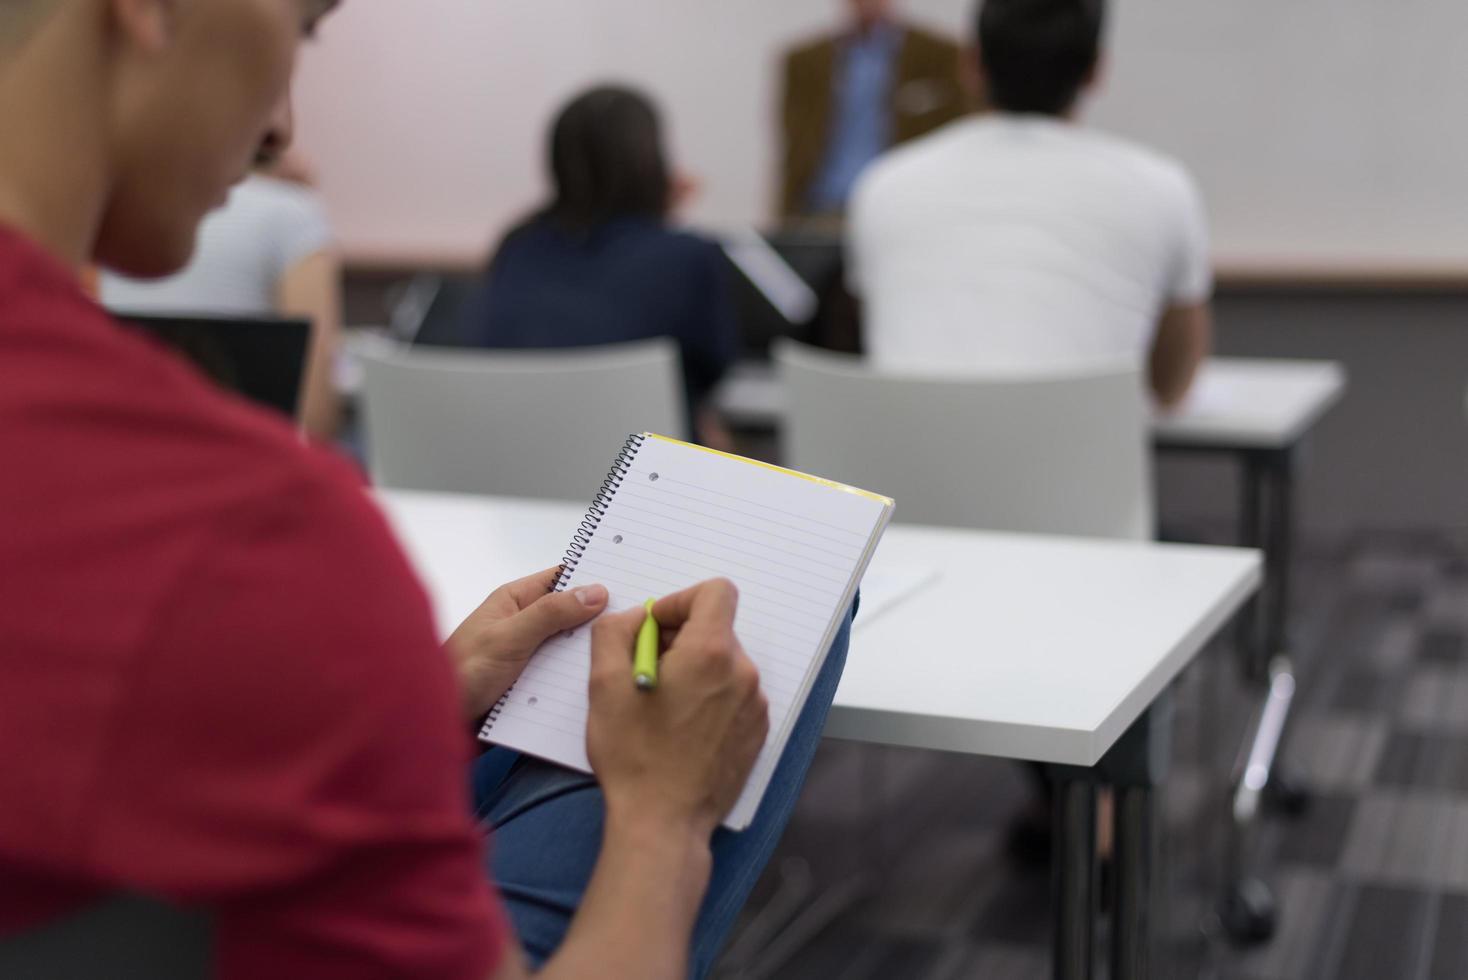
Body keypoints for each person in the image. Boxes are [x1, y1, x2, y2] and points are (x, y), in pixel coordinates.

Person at [0, 3, 850, 979]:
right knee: (773, 578)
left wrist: (410, 704)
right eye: (304, 27)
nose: (281, 127)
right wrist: (664, 817)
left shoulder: (516, 250)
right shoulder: (252, 529)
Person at [847, 0, 1213, 409]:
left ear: (971, 65)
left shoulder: (883, 187)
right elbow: (1171, 388)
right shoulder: (1163, 188)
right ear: (1096, 71)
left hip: (894, 470)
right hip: (1080, 469)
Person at [460, 85, 740, 451]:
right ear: (652, 160)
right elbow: (714, 368)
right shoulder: (686, 255)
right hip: (639, 485)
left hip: (516, 469)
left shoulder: (518, 245)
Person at [100, 153, 345, 442]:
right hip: (249, 451)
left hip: (130, 442)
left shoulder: (119, 211)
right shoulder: (295, 214)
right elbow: (314, 419)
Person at [780, 0, 967, 218]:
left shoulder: (939, 54)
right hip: (824, 204)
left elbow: (956, 130)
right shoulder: (805, 60)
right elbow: (794, 142)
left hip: (905, 205)